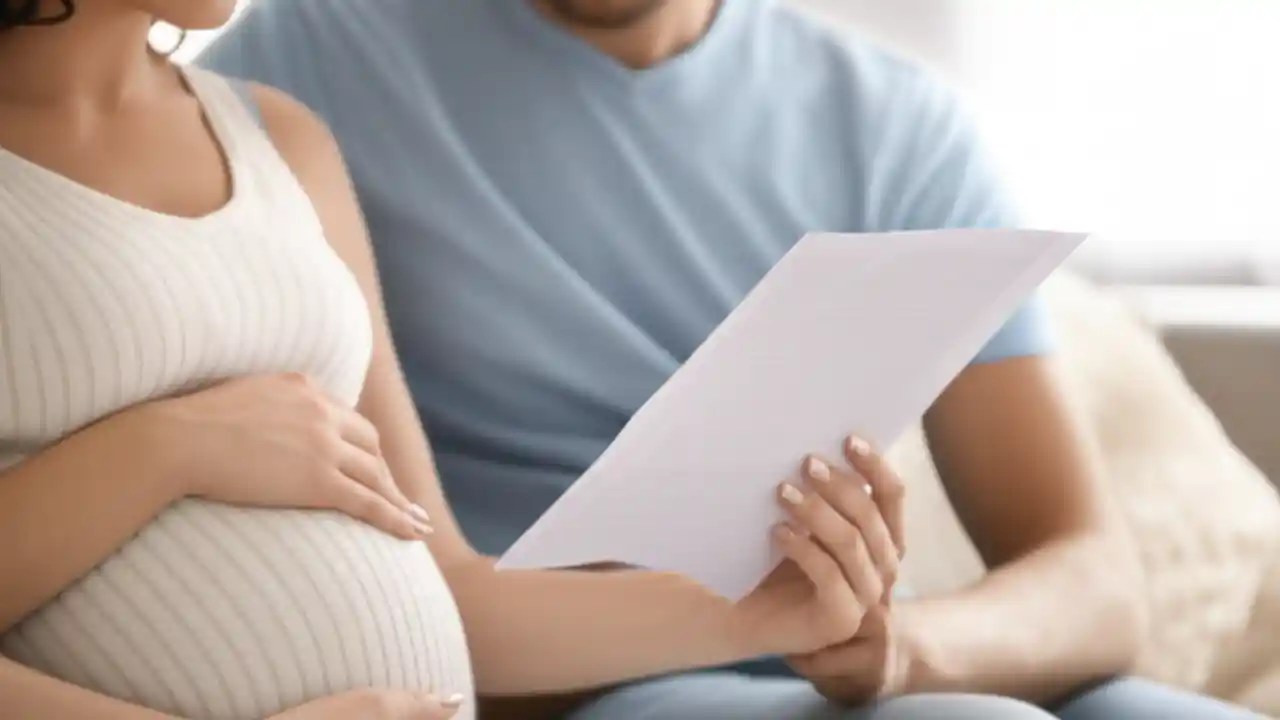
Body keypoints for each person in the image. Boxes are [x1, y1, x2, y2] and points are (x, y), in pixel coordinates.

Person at [198, 1, 1269, 720]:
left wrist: (898, 649)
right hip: (574, 684)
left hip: (847, 669)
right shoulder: (293, 71)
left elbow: (1093, 581)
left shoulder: (891, 126)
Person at [0, 2, 1064, 720]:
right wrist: (168, 448)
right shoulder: (316, 47)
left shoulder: (279, 135)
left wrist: (765, 610)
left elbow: (451, 587)